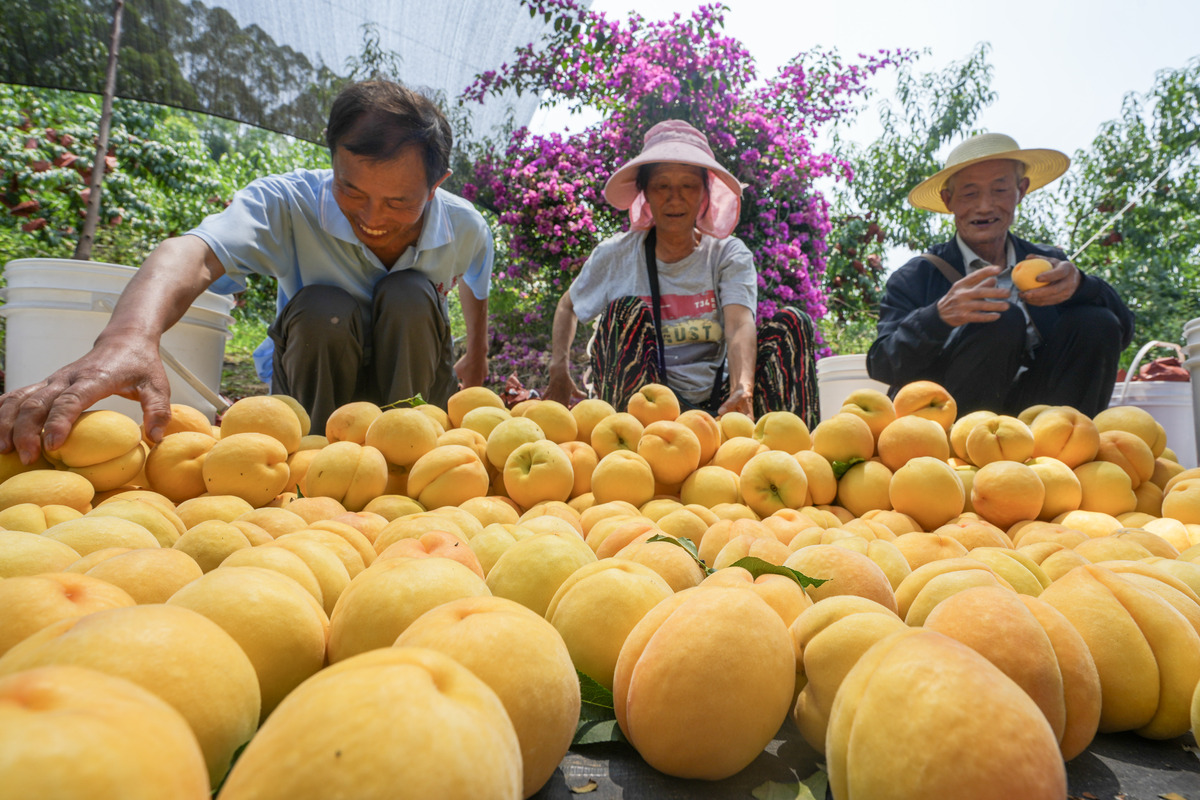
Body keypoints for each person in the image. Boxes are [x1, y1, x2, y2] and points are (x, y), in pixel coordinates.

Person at [0, 80, 493, 462]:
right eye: (352, 191)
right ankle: (315, 459)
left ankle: (410, 453)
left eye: (399, 201)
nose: (372, 218)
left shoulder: (465, 226)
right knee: (324, 307)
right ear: (332, 163)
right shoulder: (285, 203)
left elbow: (476, 282)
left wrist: (477, 356)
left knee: (410, 294)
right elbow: (191, 254)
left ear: (436, 186)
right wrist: (127, 338)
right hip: (316, 374)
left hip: (410, 380)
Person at [545, 119, 819, 426]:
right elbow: (568, 305)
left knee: (791, 324)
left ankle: (790, 460)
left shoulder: (727, 254)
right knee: (623, 313)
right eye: (662, 185)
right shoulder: (616, 255)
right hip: (645, 411)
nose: (675, 197)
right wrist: (559, 368)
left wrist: (743, 389)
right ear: (645, 193)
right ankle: (624, 456)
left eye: (688, 185)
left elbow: (740, 323)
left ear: (704, 193)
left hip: (716, 406)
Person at [866, 132, 1134, 418]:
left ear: (1021, 190)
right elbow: (881, 364)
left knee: (1095, 320)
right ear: (948, 200)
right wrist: (939, 317)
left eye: (1000, 190)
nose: (984, 206)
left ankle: (1068, 450)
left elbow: (1120, 331)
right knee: (1001, 319)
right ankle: (968, 455)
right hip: (954, 428)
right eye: (969, 193)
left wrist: (1082, 286)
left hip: (1041, 422)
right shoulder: (917, 277)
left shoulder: (1050, 266)